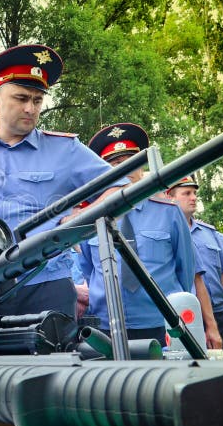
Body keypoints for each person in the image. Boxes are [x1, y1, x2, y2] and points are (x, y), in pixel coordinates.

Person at [0, 45, 126, 323]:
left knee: (54, 365)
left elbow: (119, 185)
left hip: (46, 283)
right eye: (21, 98)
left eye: (37, 100)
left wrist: (83, 216)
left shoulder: (66, 149)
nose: (30, 108)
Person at [78, 123, 194, 345]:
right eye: (115, 164)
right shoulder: (92, 217)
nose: (125, 170)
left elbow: (185, 271)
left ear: (142, 167)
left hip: (162, 324)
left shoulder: (169, 212)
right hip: (107, 324)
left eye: (131, 162)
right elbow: (88, 269)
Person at [168, 176, 223, 353]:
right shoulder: (166, 234)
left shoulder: (210, 233)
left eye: (194, 193)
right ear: (170, 197)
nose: (193, 197)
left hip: (219, 314)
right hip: (186, 317)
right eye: (186, 193)